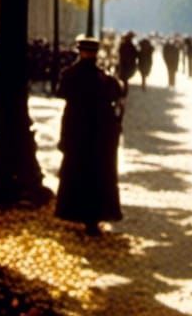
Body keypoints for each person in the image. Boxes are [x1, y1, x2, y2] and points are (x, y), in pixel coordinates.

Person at [55, 36, 124, 236]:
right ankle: (93, 219)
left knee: (75, 172)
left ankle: (73, 211)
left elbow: (61, 94)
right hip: (99, 133)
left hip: (76, 130)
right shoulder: (104, 78)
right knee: (97, 175)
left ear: (80, 52)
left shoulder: (69, 74)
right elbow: (117, 93)